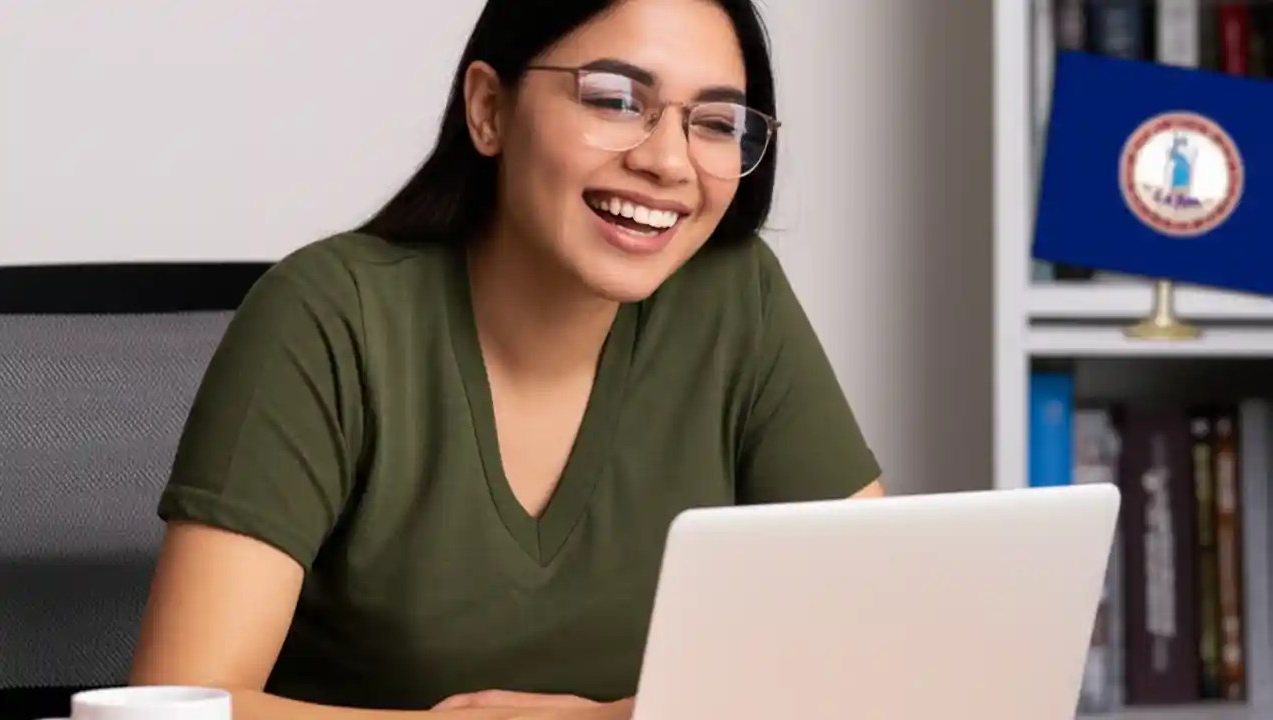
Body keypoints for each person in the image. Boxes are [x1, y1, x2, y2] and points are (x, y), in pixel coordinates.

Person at [127, 0, 884, 718]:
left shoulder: (734, 298)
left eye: (715, 122)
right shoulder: (329, 316)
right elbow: (174, 706)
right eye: (616, 99)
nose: (669, 162)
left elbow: (885, 634)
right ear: (490, 109)